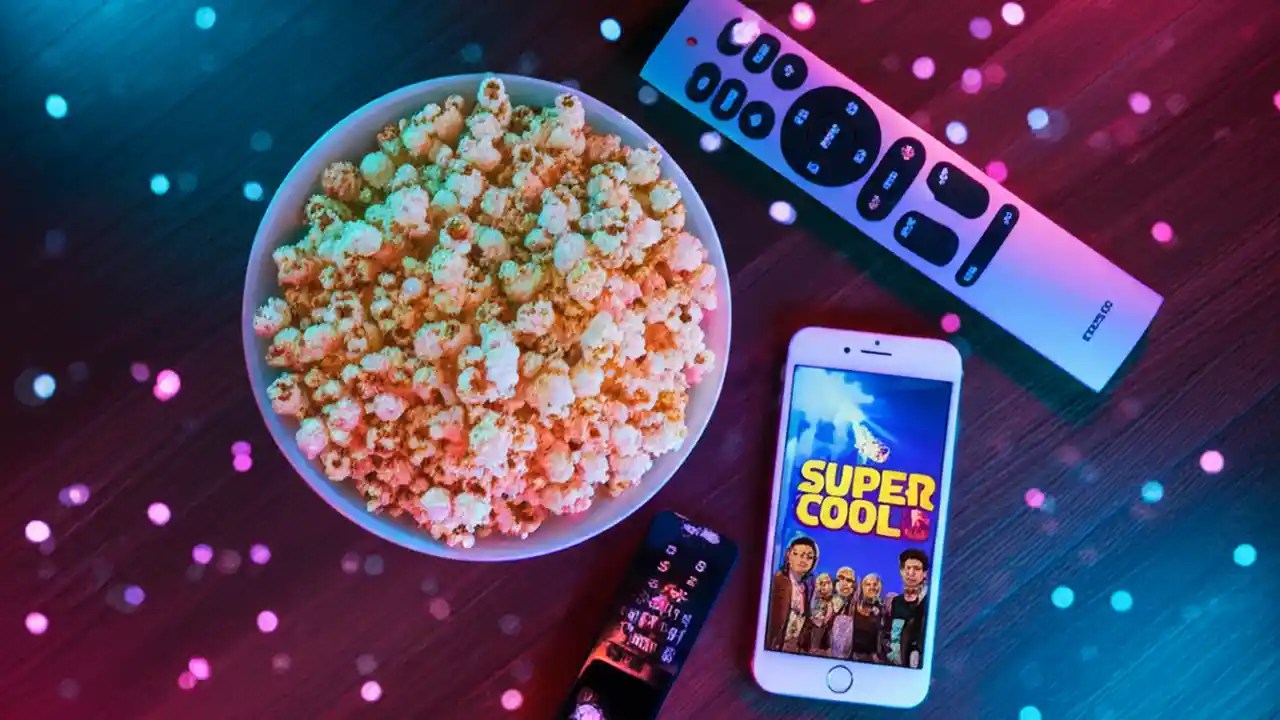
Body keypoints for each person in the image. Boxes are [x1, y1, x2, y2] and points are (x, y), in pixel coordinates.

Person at [766, 536, 818, 652]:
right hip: (774, 645)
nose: (803, 560)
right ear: (789, 555)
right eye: (797, 554)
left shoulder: (807, 587)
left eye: (809, 557)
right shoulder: (777, 582)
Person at [884, 549, 929, 668]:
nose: (911, 573)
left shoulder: (929, 602)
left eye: (916, 569)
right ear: (901, 571)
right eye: (907, 568)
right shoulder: (896, 601)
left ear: (925, 573)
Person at [850, 573, 885, 662]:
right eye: (868, 584)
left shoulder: (883, 608)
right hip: (852, 656)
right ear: (862, 587)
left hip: (873, 659)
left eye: (875, 584)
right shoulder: (852, 606)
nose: (872, 587)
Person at [827, 567, 857, 659]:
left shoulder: (855, 605)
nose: (844, 583)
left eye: (849, 580)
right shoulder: (826, 601)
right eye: (841, 578)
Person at [807, 573, 836, 654]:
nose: (824, 586)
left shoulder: (832, 600)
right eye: (821, 584)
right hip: (816, 629)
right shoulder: (816, 598)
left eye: (826, 583)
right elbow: (815, 617)